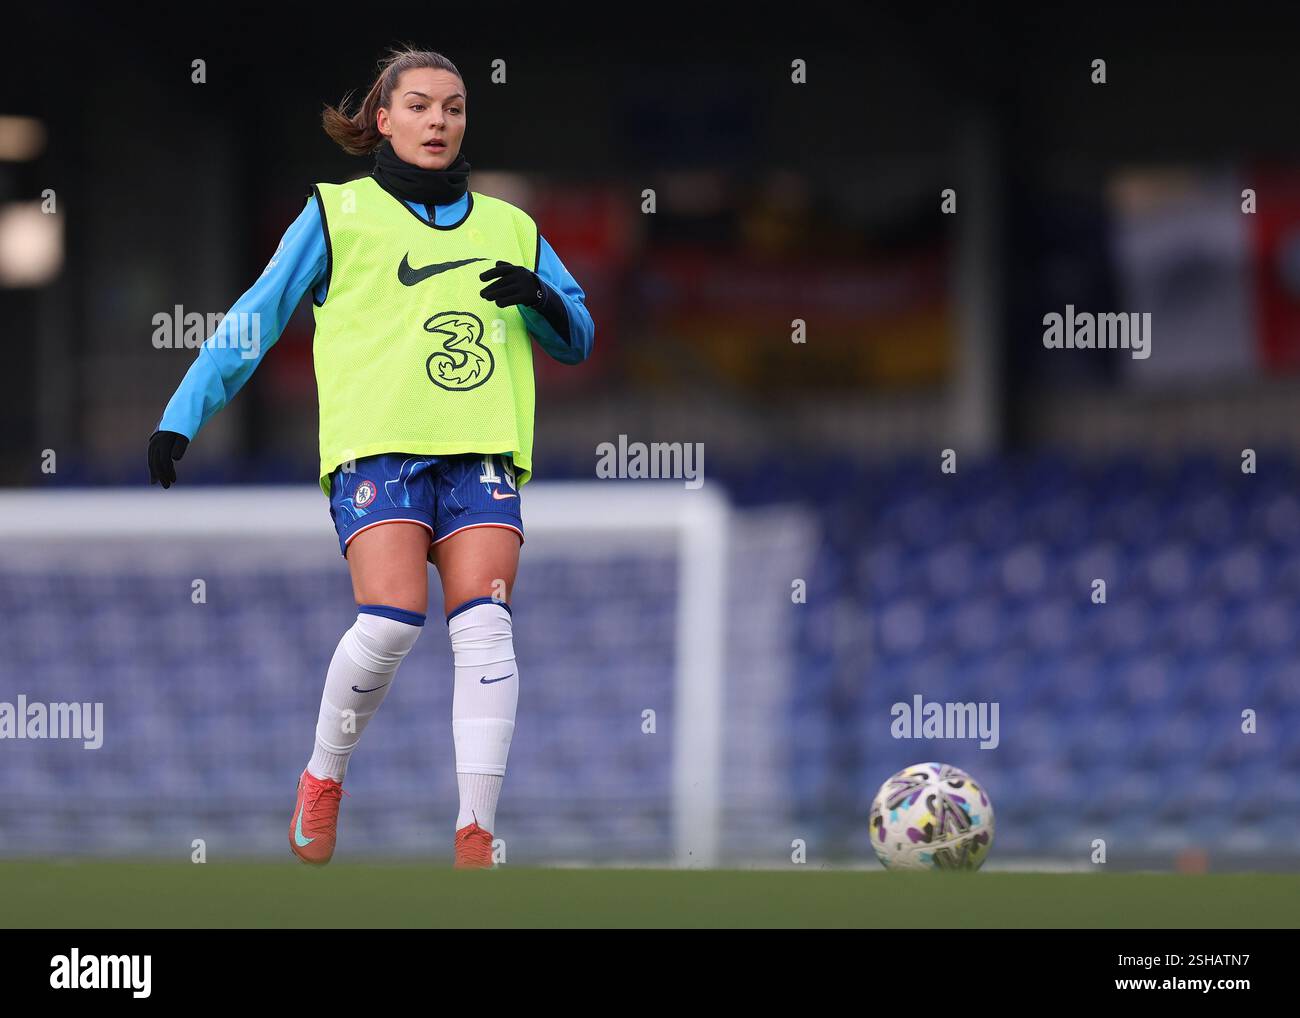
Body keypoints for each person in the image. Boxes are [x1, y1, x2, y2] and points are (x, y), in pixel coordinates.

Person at [147, 45, 594, 868]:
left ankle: (474, 833)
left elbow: (577, 336)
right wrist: (184, 414)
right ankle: (323, 777)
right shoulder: (334, 213)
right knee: (390, 623)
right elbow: (257, 317)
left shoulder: (512, 226)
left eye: (454, 108)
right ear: (383, 119)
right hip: (376, 452)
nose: (439, 121)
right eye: (420, 105)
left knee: (487, 628)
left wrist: (539, 297)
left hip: (483, 453)